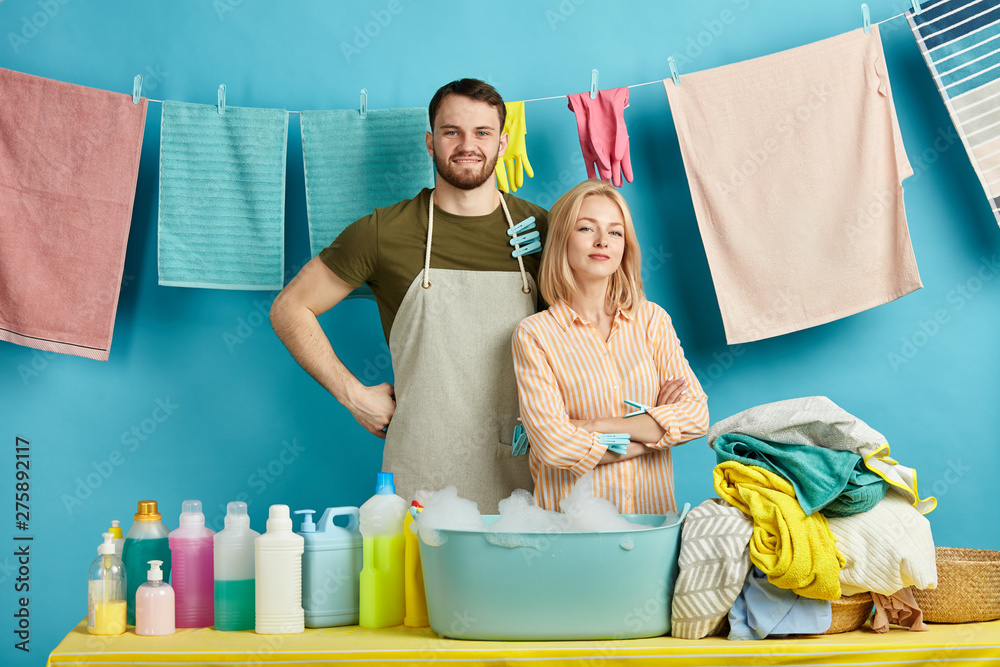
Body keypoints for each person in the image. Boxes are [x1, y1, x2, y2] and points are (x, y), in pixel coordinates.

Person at [270, 79, 547, 512]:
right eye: (451, 131)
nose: (467, 145)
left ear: (503, 142)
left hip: (525, 470)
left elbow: (596, 323)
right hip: (424, 471)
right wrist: (354, 396)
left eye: (482, 133)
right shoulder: (385, 232)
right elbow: (290, 308)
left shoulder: (540, 230)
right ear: (430, 141)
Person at [511, 179, 708, 514]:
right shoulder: (535, 335)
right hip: (572, 532)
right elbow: (554, 446)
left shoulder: (652, 320)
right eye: (587, 228)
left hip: (651, 522)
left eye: (615, 232)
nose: (603, 241)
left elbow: (696, 416)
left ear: (625, 246)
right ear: (561, 238)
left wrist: (592, 426)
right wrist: (650, 434)